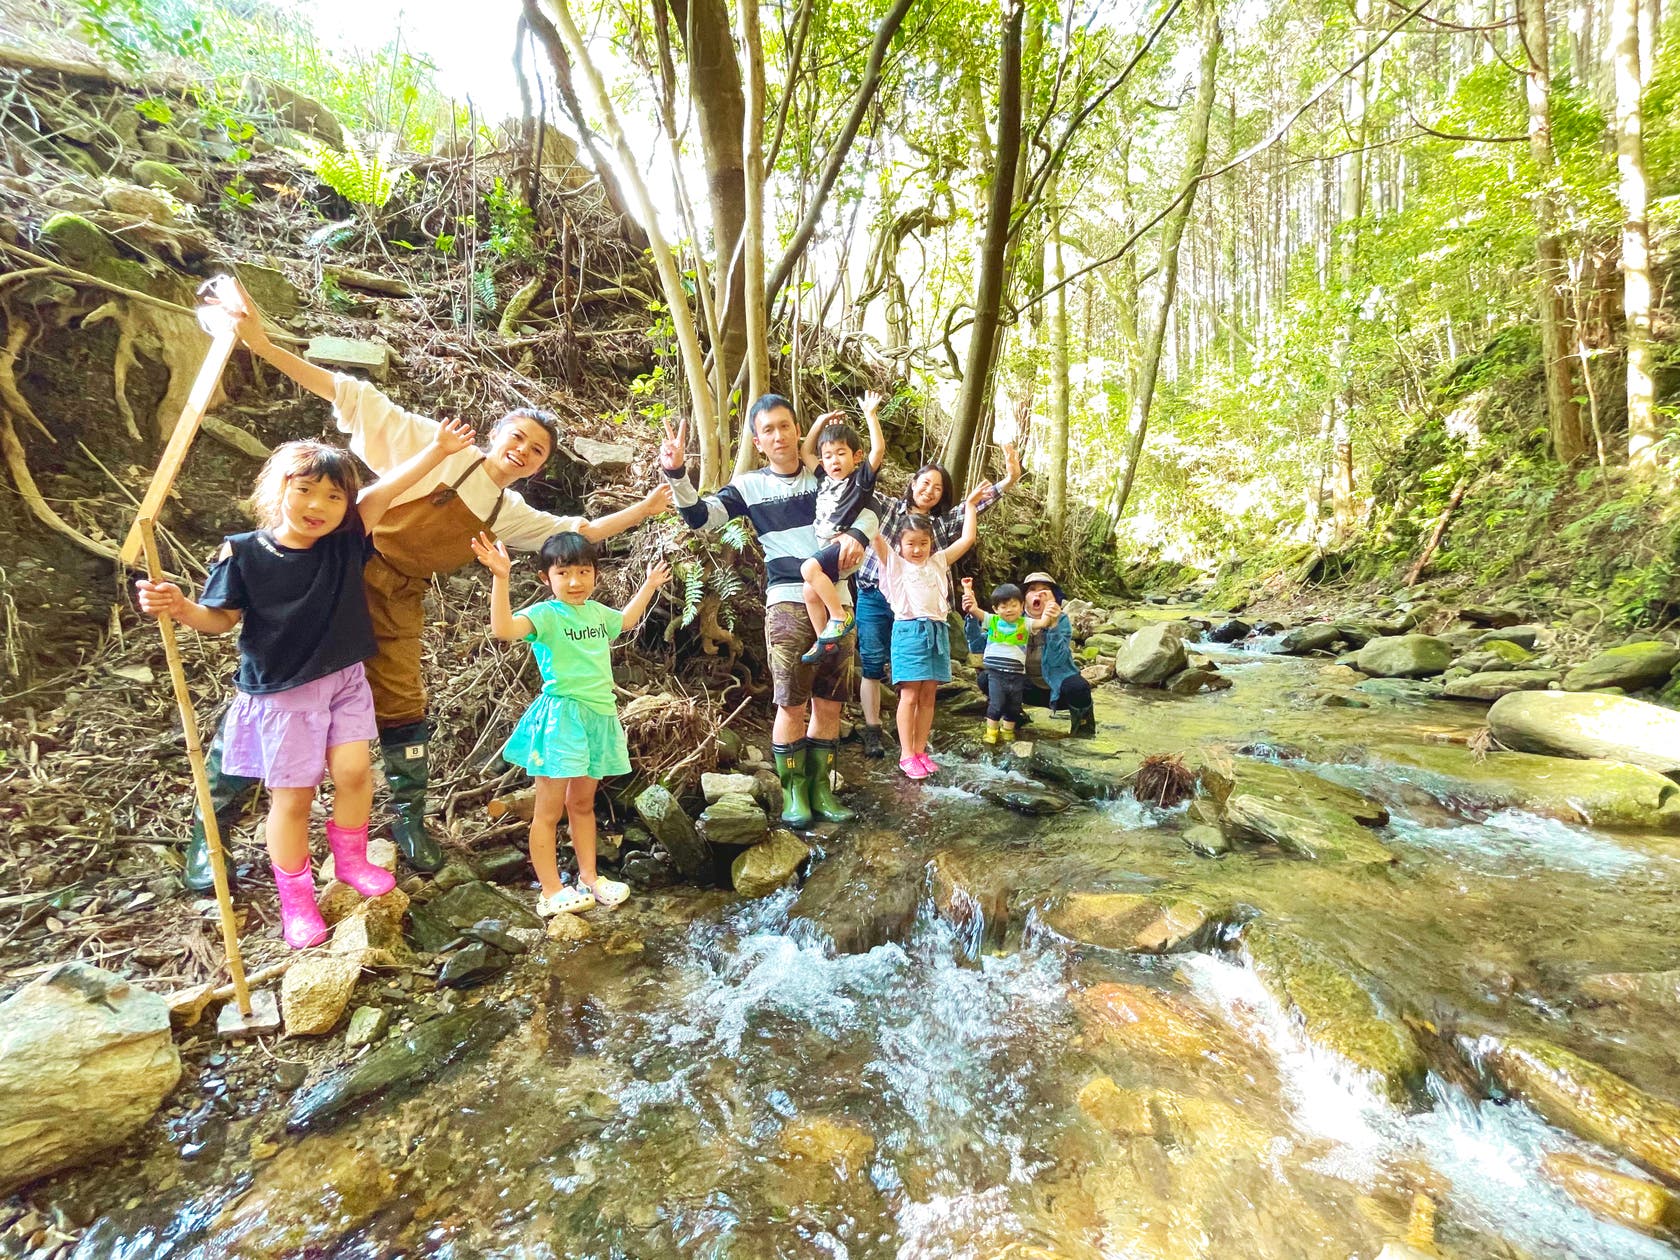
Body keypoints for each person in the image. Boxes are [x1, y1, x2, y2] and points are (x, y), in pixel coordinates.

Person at [181, 277, 672, 890]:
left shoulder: (508, 512)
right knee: (272, 697)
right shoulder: (429, 442)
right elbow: (348, 393)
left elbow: (583, 529)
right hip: (334, 574)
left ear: (542, 466)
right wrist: (262, 343)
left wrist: (645, 510)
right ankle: (210, 831)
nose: (523, 451)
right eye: (517, 437)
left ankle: (408, 819)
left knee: (403, 703)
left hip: (399, 596)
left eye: (538, 451)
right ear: (497, 434)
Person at [137, 424, 476, 947]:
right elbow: (220, 619)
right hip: (283, 693)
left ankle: (351, 859)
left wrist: (438, 451)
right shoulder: (243, 553)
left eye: (333, 495)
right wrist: (179, 608)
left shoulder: (346, 542)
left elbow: (384, 490)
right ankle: (295, 899)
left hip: (344, 680)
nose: (318, 504)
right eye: (305, 489)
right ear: (278, 491)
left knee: (355, 772)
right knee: (292, 800)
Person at [659, 398, 875, 827]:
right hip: (786, 602)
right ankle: (795, 794)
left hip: (840, 600)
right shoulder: (749, 486)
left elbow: (869, 505)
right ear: (758, 441)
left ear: (798, 431)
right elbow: (701, 519)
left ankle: (822, 790)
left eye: (784, 427)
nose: (778, 436)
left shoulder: (827, 470)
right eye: (768, 431)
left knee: (830, 702)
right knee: (791, 701)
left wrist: (856, 533)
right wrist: (677, 473)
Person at [471, 530, 670, 914]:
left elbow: (626, 622)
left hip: (600, 716)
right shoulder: (545, 615)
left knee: (582, 803)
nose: (575, 582)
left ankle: (590, 878)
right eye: (564, 574)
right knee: (549, 809)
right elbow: (503, 630)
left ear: (596, 573)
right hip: (561, 717)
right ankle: (550, 890)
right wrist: (501, 577)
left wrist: (647, 585)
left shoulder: (596, 613)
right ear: (547, 578)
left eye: (583, 571)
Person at [853, 444, 1021, 758]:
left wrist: (1009, 480)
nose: (929, 491)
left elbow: (976, 507)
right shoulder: (888, 508)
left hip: (923, 615)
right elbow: (857, 491)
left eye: (938, 488)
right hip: (877, 595)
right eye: (925, 483)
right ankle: (873, 729)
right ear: (912, 484)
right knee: (873, 665)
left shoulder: (941, 525)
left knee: (920, 681)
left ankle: (913, 742)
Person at [870, 494, 980, 779]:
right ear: (901, 544)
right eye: (911, 543)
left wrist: (969, 506)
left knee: (929, 694)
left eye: (923, 543)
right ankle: (906, 754)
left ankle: (920, 750)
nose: (917, 549)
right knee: (909, 694)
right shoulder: (895, 565)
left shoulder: (938, 562)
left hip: (938, 630)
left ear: (931, 543)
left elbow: (966, 540)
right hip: (909, 631)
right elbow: (875, 535)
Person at [796, 390, 885, 663]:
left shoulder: (859, 481)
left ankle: (839, 616)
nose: (834, 460)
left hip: (841, 545)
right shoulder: (824, 478)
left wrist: (870, 416)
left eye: (841, 453)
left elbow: (878, 450)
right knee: (809, 591)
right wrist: (820, 423)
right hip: (827, 546)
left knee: (807, 569)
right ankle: (825, 638)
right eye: (829, 455)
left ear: (856, 456)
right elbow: (804, 451)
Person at [963, 570, 1096, 737]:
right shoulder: (1012, 619)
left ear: (1054, 598)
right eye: (1032, 589)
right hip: (1023, 687)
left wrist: (1052, 625)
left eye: (1044, 589)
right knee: (986, 678)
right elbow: (978, 645)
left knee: (1078, 687)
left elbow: (1058, 659)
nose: (1038, 593)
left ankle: (1083, 730)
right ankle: (1014, 717)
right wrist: (971, 615)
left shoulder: (1061, 620)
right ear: (1023, 598)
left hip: (1056, 690)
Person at [960, 580, 1057, 744]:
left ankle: (1007, 732)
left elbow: (1043, 623)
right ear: (995, 609)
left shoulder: (1025, 623)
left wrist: (1049, 606)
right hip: (995, 674)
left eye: (1013, 605)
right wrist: (967, 589)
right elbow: (974, 609)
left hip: (1017, 675)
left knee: (1014, 706)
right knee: (996, 705)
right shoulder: (993, 621)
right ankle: (991, 733)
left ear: (1021, 607)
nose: (1009, 610)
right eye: (1003, 607)